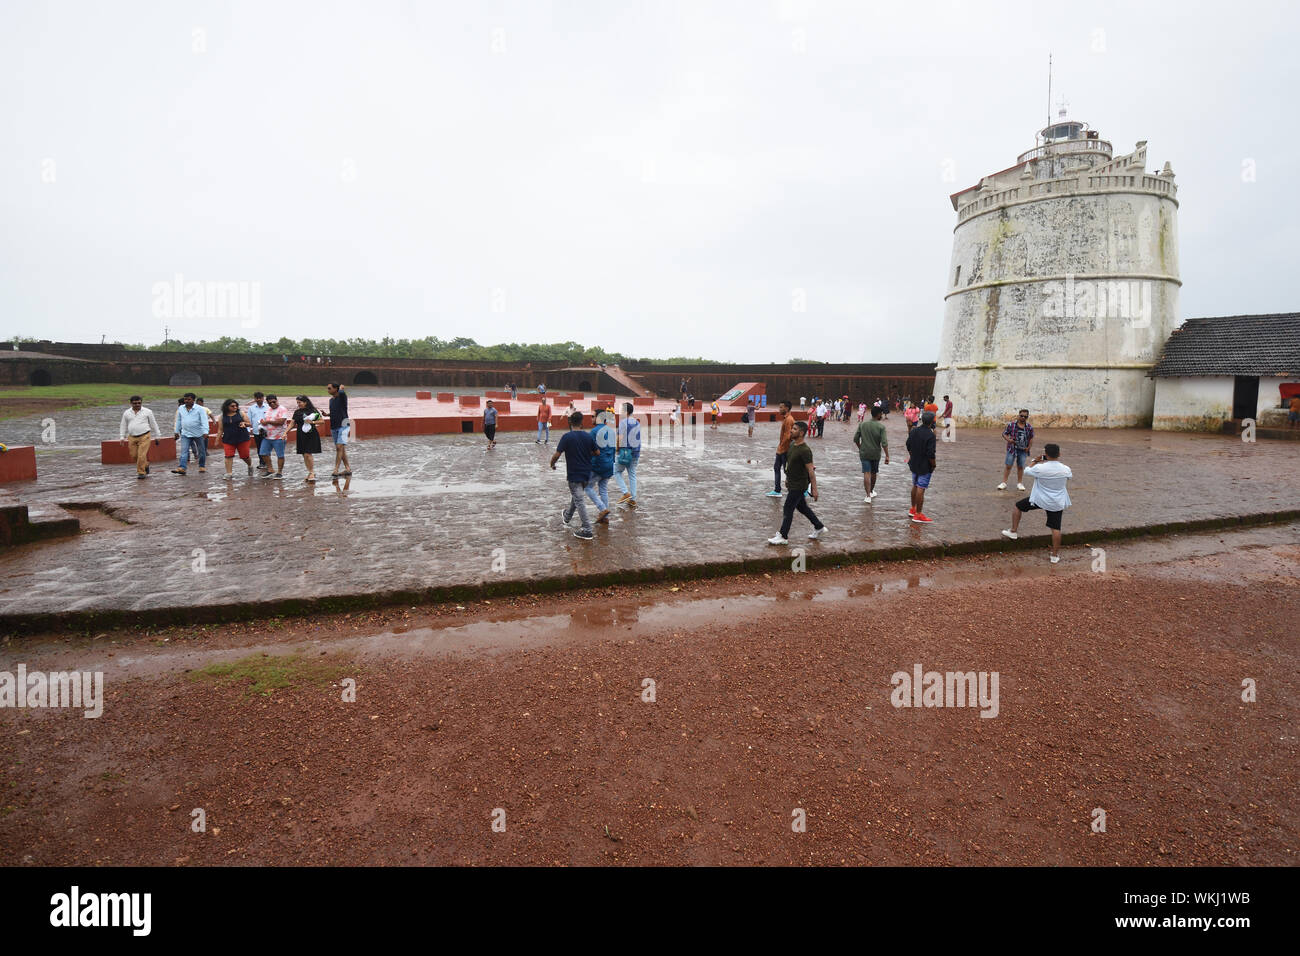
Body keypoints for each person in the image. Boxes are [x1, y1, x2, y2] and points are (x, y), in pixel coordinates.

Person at [1002, 444, 1073, 563]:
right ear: (1059, 454)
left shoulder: (1040, 468)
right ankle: (1055, 556)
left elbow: (1026, 471)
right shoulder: (1066, 469)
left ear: (1046, 454)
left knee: (1018, 506)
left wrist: (1035, 460)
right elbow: (1069, 476)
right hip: (1056, 502)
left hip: (1039, 499)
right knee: (1056, 528)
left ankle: (1013, 531)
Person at [768, 421, 825, 545]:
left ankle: (783, 536)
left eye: (794, 429)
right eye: (792, 428)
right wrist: (787, 478)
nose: (791, 430)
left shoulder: (805, 450)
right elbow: (790, 464)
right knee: (802, 507)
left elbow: (811, 471)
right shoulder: (793, 445)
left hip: (799, 485)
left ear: (801, 432)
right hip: (792, 483)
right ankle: (819, 526)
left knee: (788, 507)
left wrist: (814, 489)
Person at [549, 410, 597, 540]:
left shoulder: (566, 437)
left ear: (570, 422)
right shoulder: (588, 437)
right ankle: (567, 517)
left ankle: (587, 529)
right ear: (582, 422)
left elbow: (557, 455)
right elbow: (597, 452)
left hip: (574, 474)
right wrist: (586, 453)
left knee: (579, 499)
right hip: (586, 474)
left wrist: (552, 464)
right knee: (577, 496)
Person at [853, 405, 890, 502]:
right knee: (874, 473)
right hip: (875, 453)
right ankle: (872, 490)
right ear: (878, 415)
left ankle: (867, 495)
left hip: (864, 452)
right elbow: (884, 443)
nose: (881, 415)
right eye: (881, 414)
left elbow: (855, 439)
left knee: (866, 472)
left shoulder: (862, 424)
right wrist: (887, 455)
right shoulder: (881, 427)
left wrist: (860, 447)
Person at [906, 410, 938, 524]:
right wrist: (933, 465)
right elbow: (931, 453)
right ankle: (918, 515)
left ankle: (913, 509)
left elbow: (908, 445)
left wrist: (912, 455)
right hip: (925, 465)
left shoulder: (914, 431)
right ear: (932, 422)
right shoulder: (931, 435)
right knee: (921, 488)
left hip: (914, 463)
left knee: (915, 485)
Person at [119, 396, 160, 479]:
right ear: (131, 403)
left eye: (139, 403)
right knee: (134, 455)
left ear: (141, 402)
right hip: (132, 437)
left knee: (141, 455)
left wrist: (158, 435)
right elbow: (123, 425)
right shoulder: (126, 413)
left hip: (145, 436)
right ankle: (145, 464)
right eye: (135, 403)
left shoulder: (148, 411)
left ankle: (141, 472)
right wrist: (121, 437)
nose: (137, 405)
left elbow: (153, 423)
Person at [586, 410, 615, 523]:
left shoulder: (594, 432)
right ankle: (605, 517)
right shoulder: (611, 431)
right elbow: (613, 449)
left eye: (592, 416)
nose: (591, 419)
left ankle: (602, 509)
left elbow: (589, 450)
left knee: (587, 487)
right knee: (603, 489)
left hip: (598, 465)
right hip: (609, 464)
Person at [171, 392, 209, 475]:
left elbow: (204, 421)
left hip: (198, 434)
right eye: (185, 399)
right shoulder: (181, 408)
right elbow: (179, 420)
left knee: (201, 451)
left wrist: (205, 431)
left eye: (189, 399)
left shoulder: (200, 409)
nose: (186, 401)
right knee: (184, 451)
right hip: (185, 433)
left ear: (193, 400)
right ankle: (182, 467)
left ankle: (201, 465)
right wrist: (176, 431)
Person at [289, 395, 325, 482]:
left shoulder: (313, 410)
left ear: (305, 402)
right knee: (303, 454)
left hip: (311, 434)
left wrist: (312, 422)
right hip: (301, 434)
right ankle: (309, 472)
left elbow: (322, 421)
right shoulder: (297, 412)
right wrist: (285, 433)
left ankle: (312, 472)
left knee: (308, 453)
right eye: (297, 402)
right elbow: (292, 423)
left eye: (300, 402)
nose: (298, 404)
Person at [998, 409, 1034, 491]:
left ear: (1027, 417)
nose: (1023, 418)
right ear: (1018, 415)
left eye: (1025, 416)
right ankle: (1004, 483)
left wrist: (1029, 447)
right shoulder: (1011, 425)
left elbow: (1031, 438)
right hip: (1012, 449)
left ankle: (1020, 483)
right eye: (1021, 416)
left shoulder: (1029, 427)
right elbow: (1004, 433)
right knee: (1008, 465)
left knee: (1020, 466)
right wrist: (1009, 440)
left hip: (1023, 450)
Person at [218, 398, 254, 478]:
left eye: (236, 406)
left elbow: (249, 423)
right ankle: (229, 473)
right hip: (228, 439)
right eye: (232, 406)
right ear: (227, 407)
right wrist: (217, 440)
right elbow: (220, 429)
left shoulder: (241, 414)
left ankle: (250, 465)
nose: (235, 407)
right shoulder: (222, 417)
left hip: (242, 438)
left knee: (245, 456)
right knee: (228, 456)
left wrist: (244, 423)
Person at [615, 402, 642, 507]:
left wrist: (617, 449)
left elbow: (620, 438)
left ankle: (626, 493)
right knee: (632, 474)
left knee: (616, 471)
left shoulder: (623, 422)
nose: (620, 412)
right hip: (635, 452)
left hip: (624, 452)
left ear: (626, 411)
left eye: (622, 410)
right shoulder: (637, 422)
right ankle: (633, 499)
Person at [767, 401, 795, 497]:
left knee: (787, 471)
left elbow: (787, 436)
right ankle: (777, 490)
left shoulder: (788, 420)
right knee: (777, 468)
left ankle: (797, 489)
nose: (779, 409)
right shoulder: (787, 419)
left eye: (781, 407)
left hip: (784, 450)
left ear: (786, 408)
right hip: (782, 449)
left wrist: (781, 448)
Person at [259, 394, 291, 478]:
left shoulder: (282, 409)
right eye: (270, 403)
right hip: (267, 436)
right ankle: (270, 469)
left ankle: (279, 472)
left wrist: (268, 422)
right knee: (263, 453)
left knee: (280, 455)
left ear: (277, 400)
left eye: (274, 402)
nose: (272, 404)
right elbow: (265, 420)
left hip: (279, 437)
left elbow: (281, 422)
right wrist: (262, 425)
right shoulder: (268, 410)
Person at [325, 383, 352, 478]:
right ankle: (348, 468)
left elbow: (341, 392)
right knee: (341, 448)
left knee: (339, 447)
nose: (327, 390)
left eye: (329, 388)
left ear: (336, 389)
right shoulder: (331, 400)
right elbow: (334, 412)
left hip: (344, 425)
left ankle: (336, 469)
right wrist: (327, 415)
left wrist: (341, 388)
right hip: (334, 426)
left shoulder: (342, 397)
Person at [246, 392, 270, 473]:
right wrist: (248, 430)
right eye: (257, 398)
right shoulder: (251, 408)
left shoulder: (268, 407)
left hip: (267, 431)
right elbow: (248, 420)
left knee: (267, 447)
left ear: (263, 398)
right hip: (256, 431)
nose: (258, 399)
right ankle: (262, 463)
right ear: (254, 398)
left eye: (260, 398)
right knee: (259, 447)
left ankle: (268, 463)